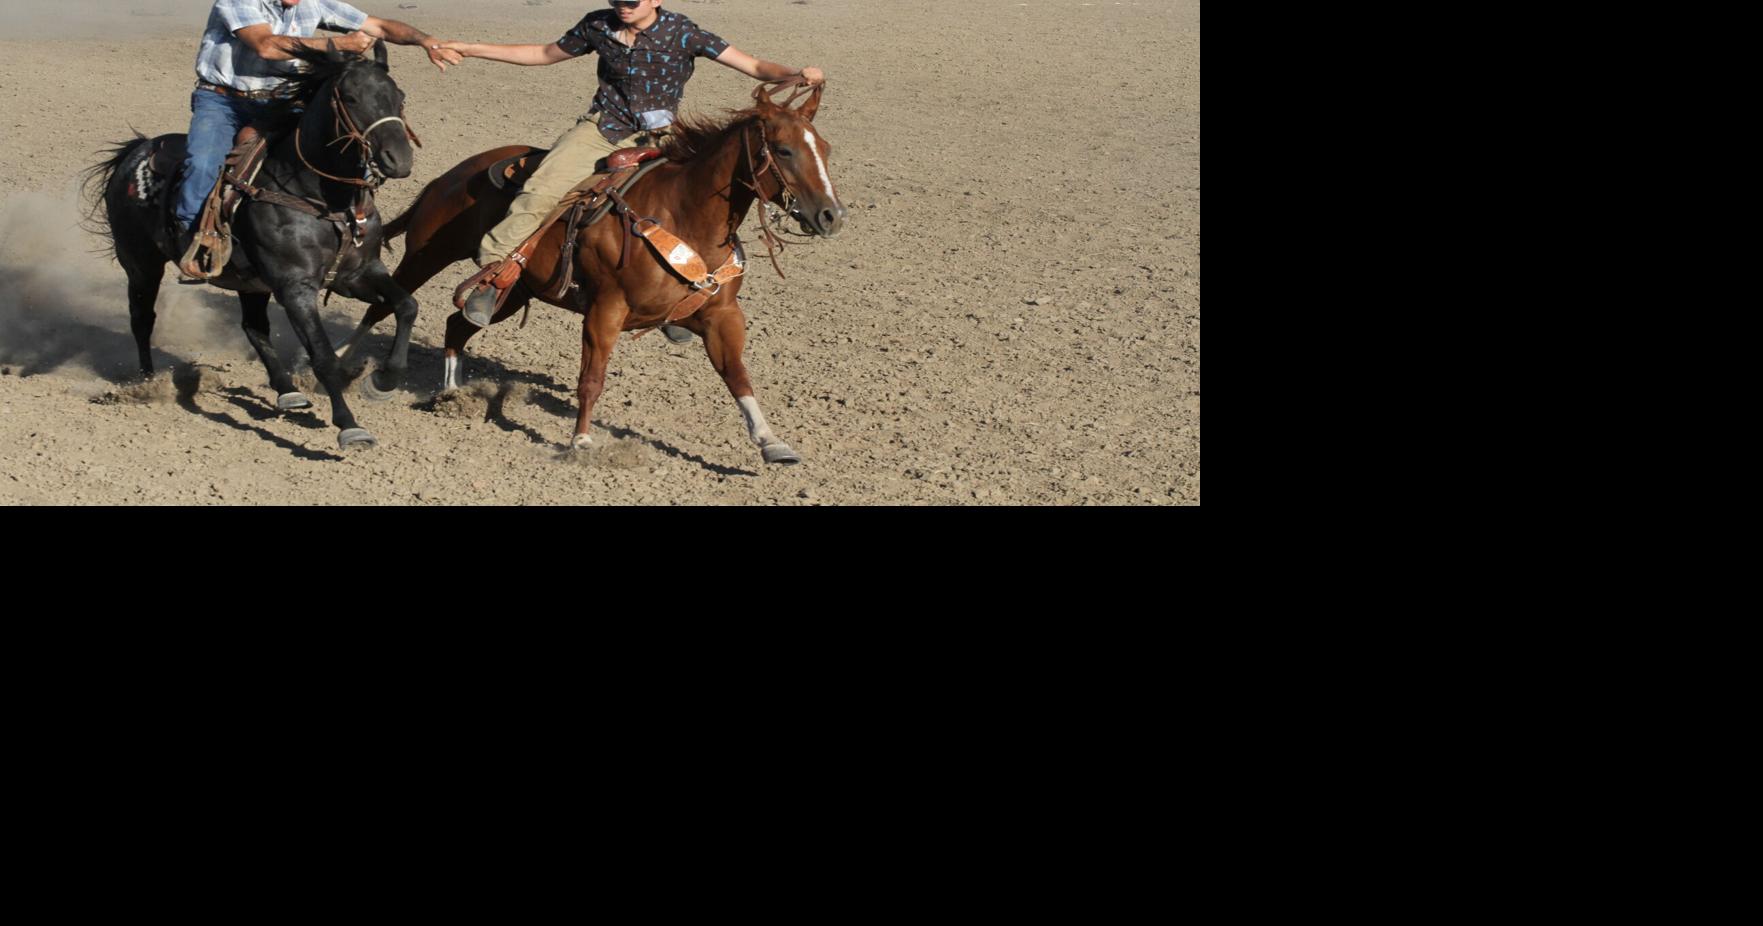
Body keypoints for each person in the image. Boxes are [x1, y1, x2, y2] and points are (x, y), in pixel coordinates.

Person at [438, 0, 825, 326]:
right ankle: (493, 274)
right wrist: (472, 48)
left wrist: (796, 74)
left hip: (662, 138)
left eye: (631, 1)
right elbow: (543, 54)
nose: (622, 6)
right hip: (602, 130)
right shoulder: (597, 26)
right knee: (542, 189)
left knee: (702, 202)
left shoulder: (683, 32)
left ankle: (685, 297)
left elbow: (755, 67)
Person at [176, 0, 461, 279]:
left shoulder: (314, 4)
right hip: (224, 101)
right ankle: (195, 237)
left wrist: (427, 41)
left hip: (281, 98)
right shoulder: (238, 2)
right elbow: (265, 44)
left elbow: (381, 27)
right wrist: (337, 45)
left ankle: (352, 223)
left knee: (339, 146)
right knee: (204, 163)